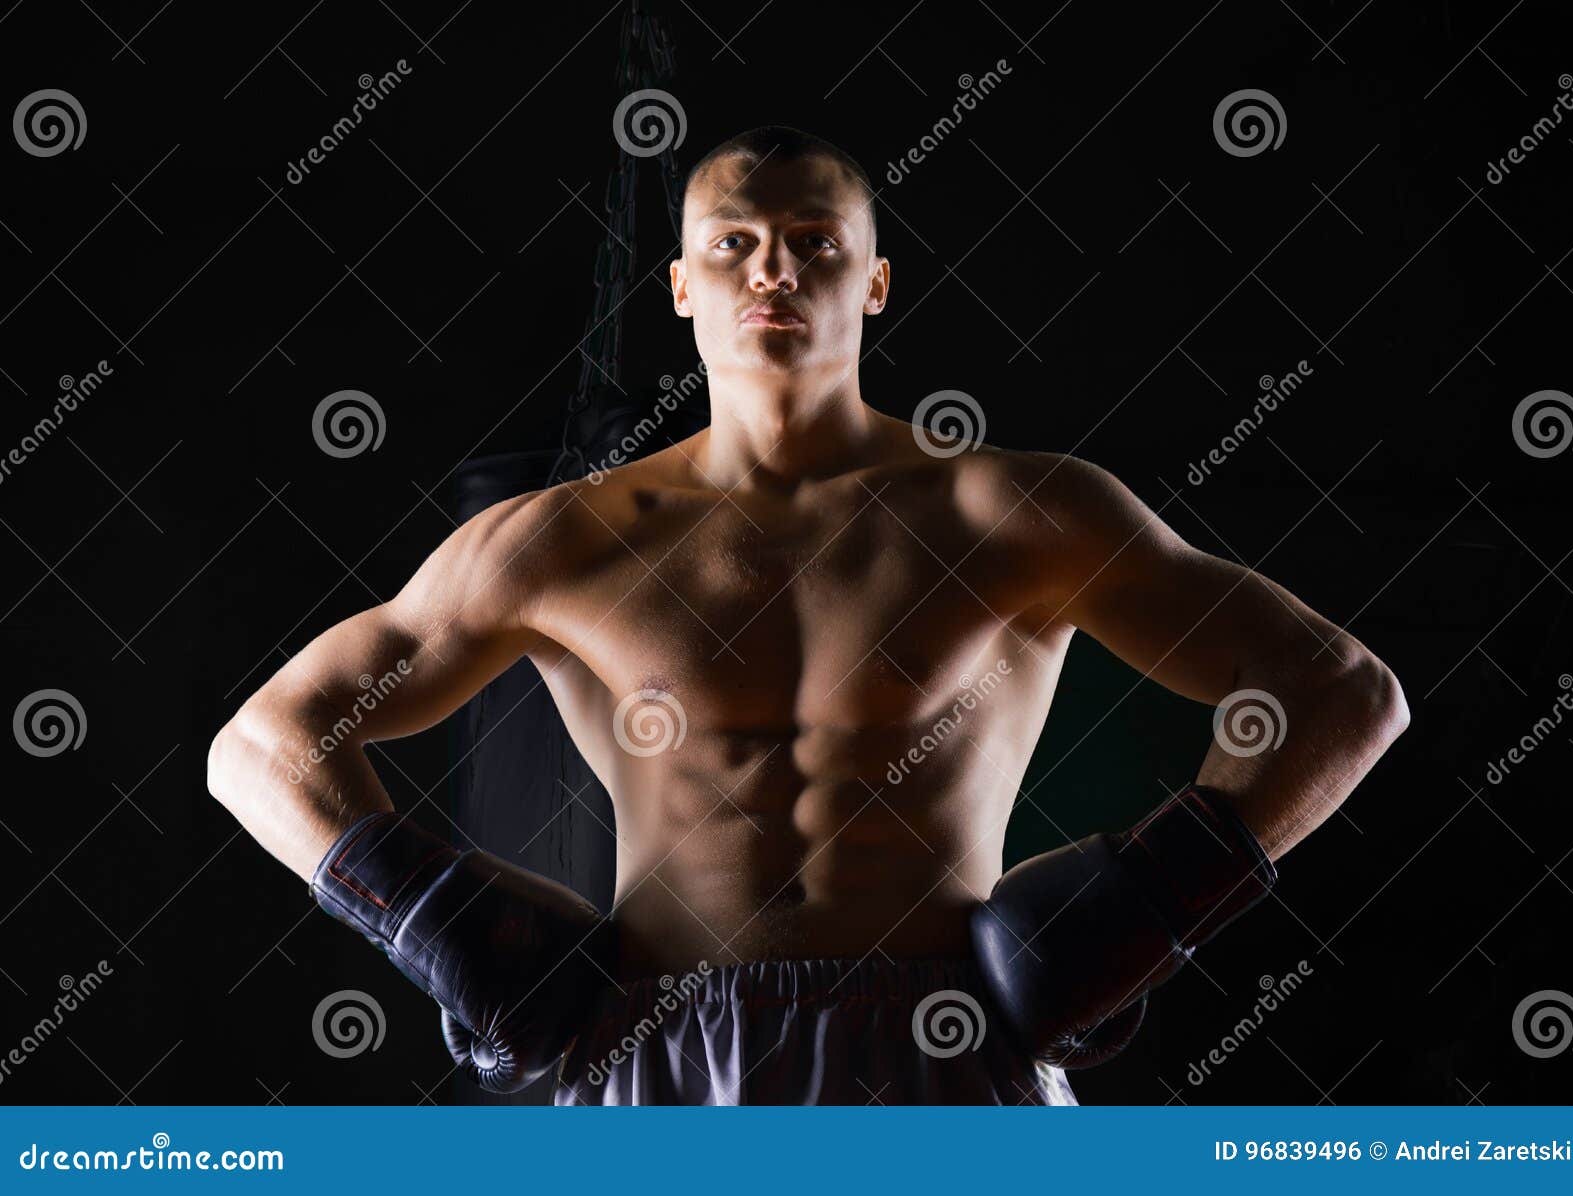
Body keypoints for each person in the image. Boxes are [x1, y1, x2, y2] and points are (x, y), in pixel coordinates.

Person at [206, 126, 1409, 1105]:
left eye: (812, 242)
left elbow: (1344, 692)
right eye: (732, 243)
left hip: (946, 1047)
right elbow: (262, 746)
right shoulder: (564, 538)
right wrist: (434, 923)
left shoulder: (1018, 511)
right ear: (681, 285)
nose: (771, 270)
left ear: (873, 278)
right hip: (658, 1051)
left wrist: (1151, 906)